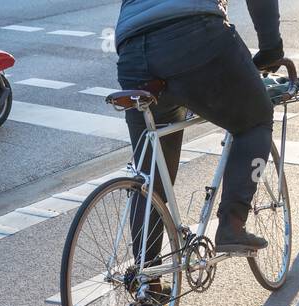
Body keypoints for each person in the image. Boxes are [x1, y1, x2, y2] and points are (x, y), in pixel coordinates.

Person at [114, 0, 285, 256]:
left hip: (131, 48)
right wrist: (271, 47)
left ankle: (147, 279)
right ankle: (232, 225)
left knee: (151, 173)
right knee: (256, 119)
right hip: (195, 33)